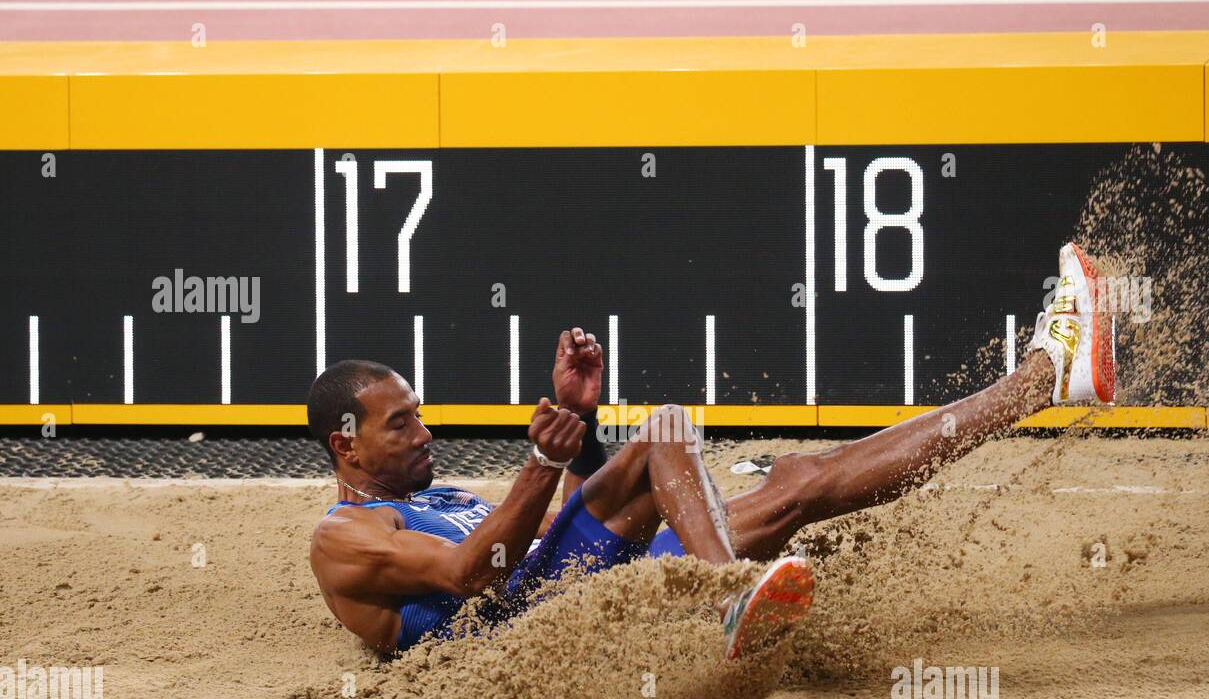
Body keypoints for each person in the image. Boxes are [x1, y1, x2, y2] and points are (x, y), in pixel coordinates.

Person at [309, 243, 1112, 659]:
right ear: (346, 443)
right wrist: (544, 464)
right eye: (401, 424)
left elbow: (559, 534)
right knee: (664, 429)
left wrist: (580, 432)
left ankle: (1040, 381)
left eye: (418, 417)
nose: (424, 434)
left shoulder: (438, 501)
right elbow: (469, 577)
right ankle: (731, 595)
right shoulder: (342, 539)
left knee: (804, 482)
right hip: (525, 636)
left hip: (567, 593)